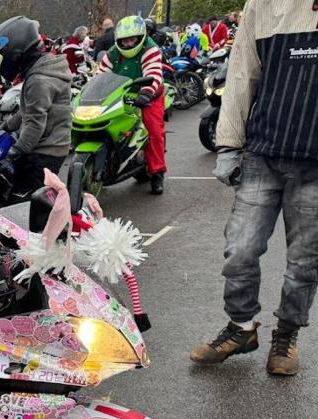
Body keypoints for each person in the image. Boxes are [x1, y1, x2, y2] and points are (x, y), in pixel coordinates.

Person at [189, 0, 318, 376]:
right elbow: (242, 73)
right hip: (263, 155)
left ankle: (287, 336)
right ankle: (241, 328)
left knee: (304, 265)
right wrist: (228, 145)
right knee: (239, 250)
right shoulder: (263, 4)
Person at [0, 16, 72, 194]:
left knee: (24, 200)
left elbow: (35, 123)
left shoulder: (38, 80)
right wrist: (4, 127)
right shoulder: (39, 71)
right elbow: (28, 111)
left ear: (16, 52)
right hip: (48, 142)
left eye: (1, 56)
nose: (1, 62)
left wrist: (13, 153)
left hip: (47, 150)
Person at [99, 16, 166, 195]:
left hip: (149, 95)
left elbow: (153, 72)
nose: (128, 44)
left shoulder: (150, 49)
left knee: (153, 131)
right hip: (122, 94)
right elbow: (101, 77)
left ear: (141, 37)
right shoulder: (112, 53)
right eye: (124, 40)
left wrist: (146, 93)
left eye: (132, 39)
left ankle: (157, 173)